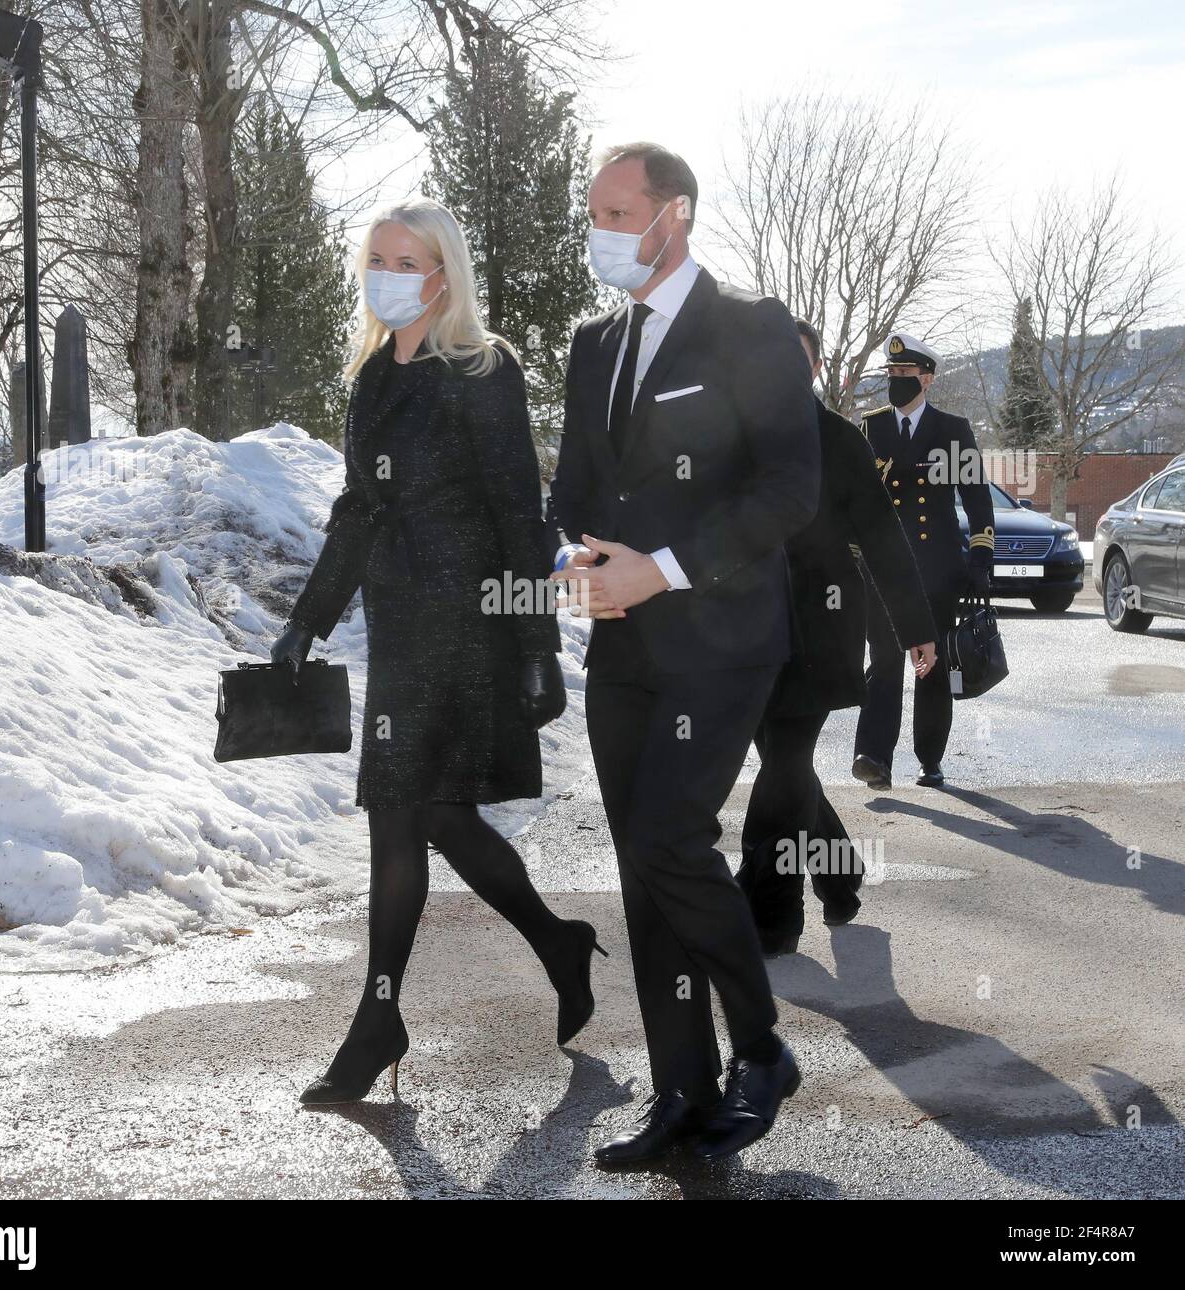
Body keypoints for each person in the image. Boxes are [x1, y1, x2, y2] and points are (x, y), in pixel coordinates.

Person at [272, 199, 604, 1106]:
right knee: (440, 820)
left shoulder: (483, 370)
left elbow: (517, 515)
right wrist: (309, 620)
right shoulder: (373, 377)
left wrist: (536, 645)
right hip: (401, 634)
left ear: (443, 274)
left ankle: (378, 1019)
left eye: (405, 259)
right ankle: (558, 943)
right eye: (375, 257)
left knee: (400, 815)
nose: (386, 273)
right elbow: (358, 511)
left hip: (474, 631)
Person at [546, 143, 819, 1166]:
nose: (602, 233)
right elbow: (572, 484)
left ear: (677, 215)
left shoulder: (749, 329)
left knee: (669, 837)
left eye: (620, 212)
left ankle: (760, 1046)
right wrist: (575, 552)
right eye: (595, 214)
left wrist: (659, 567)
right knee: (640, 863)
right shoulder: (591, 344)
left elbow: (787, 489)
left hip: (723, 637)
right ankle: (681, 1093)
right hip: (621, 642)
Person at [737, 320, 937, 956]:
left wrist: (915, 629)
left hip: (821, 631)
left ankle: (770, 913)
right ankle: (841, 870)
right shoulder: (734, 439)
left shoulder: (839, 441)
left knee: (786, 764)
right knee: (783, 766)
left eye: (797, 359)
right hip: (744, 633)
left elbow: (883, 538)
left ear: (816, 369)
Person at [851, 332, 995, 790]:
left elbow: (977, 499)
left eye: (905, 374)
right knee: (884, 660)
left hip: (935, 569)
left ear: (927, 379)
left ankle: (930, 757)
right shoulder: (871, 428)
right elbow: (852, 500)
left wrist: (980, 558)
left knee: (930, 665)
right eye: (891, 374)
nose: (896, 380)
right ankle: (874, 756)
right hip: (882, 570)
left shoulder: (952, 431)